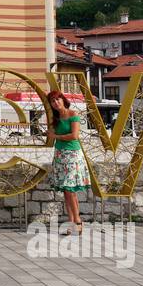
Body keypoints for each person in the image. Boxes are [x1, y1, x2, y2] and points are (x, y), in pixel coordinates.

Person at [46, 91, 90, 235]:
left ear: (63, 99)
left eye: (57, 99)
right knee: (66, 191)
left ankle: (77, 221)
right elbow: (50, 134)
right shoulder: (56, 118)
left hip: (72, 155)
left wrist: (56, 136)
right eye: (53, 101)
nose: (56, 102)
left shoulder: (72, 114)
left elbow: (74, 135)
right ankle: (71, 222)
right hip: (59, 155)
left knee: (70, 190)